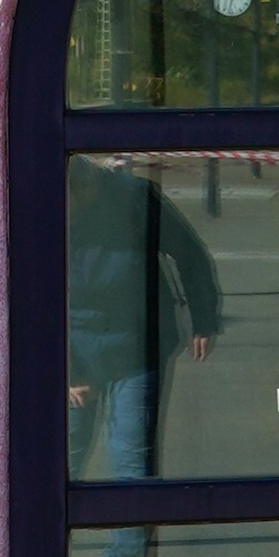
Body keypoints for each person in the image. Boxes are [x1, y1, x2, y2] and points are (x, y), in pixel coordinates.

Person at [67, 162, 223, 479]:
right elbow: (28, 297)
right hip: (74, 349)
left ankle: (133, 525)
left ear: (84, 190)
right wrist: (68, 372)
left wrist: (203, 319)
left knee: (132, 463)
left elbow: (189, 252)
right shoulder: (42, 208)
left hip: (137, 349)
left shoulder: (134, 200)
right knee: (64, 460)